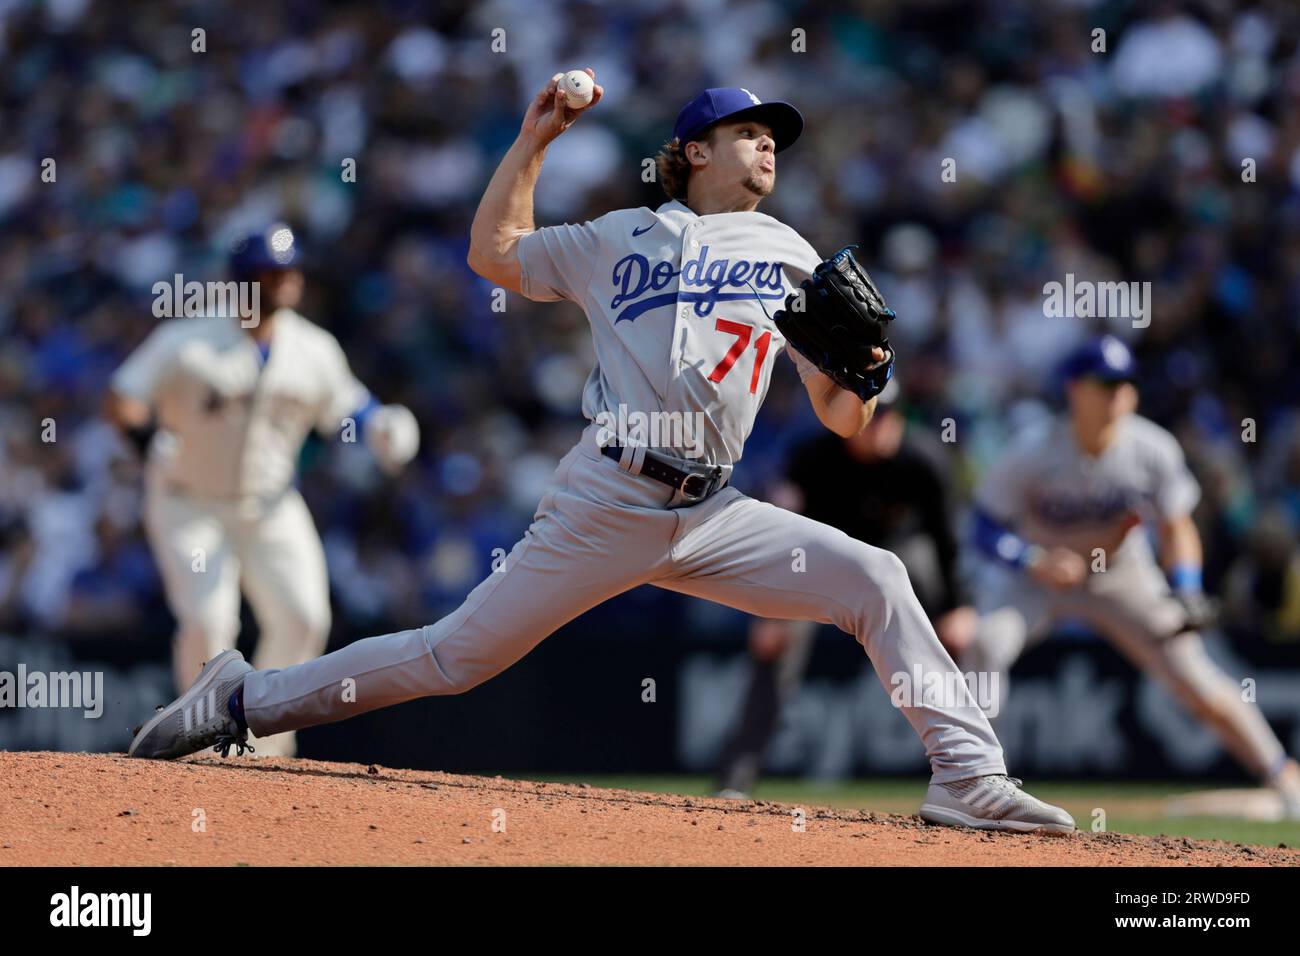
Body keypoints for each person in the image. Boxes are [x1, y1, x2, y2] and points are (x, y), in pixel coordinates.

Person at [128, 74, 1073, 833]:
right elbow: (496, 254)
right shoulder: (617, 235)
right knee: (452, 657)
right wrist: (535, 140)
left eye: (774, 136)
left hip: (711, 511)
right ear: (696, 150)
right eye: (749, 131)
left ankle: (968, 774)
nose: (768, 143)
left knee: (874, 576)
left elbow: (837, 420)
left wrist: (863, 376)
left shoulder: (788, 249)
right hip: (608, 498)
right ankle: (245, 699)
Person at [107, 226, 420, 755]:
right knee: (209, 620)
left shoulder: (313, 348)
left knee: (305, 617)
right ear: (240, 281)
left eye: (288, 271)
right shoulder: (190, 340)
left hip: (271, 505)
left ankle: (267, 743)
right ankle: (198, 741)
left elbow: (348, 406)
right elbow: (124, 394)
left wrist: (381, 425)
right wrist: (143, 439)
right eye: (267, 273)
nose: (281, 281)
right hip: (189, 503)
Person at [960, 335, 1300, 818]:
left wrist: (1184, 587)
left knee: (1195, 677)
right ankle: (975, 781)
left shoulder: (1151, 447)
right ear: (1075, 389)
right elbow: (984, 527)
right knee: (988, 643)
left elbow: (1178, 525)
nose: (1119, 392)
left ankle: (1284, 775)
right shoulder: (1032, 449)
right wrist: (1032, 559)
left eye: (1125, 383)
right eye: (1106, 382)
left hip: (1121, 575)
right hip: (1039, 575)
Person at [715, 379, 977, 797]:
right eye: (874, 416)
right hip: (823, 564)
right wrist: (769, 614)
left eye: (891, 416)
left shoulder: (925, 458)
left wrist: (957, 606)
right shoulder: (811, 458)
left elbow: (948, 541)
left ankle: (970, 777)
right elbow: (780, 539)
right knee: (775, 644)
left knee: (944, 614)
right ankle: (735, 780)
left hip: (903, 565)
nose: (883, 426)